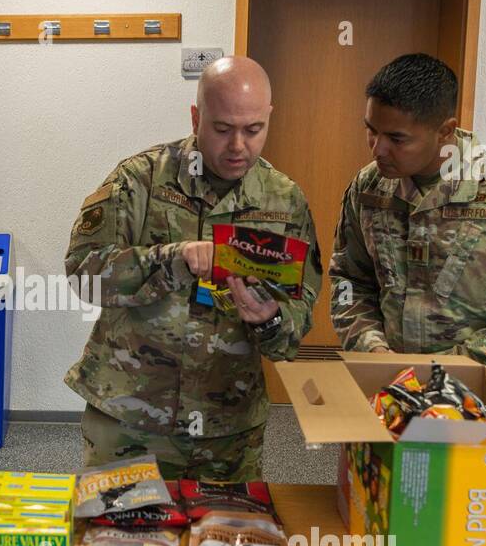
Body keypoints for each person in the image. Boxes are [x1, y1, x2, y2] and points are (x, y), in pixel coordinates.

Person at [63, 56, 321, 480]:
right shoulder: (139, 179)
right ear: (196, 116)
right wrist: (172, 259)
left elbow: (300, 310)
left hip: (228, 429)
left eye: (253, 130)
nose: (239, 146)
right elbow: (83, 272)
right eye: (222, 129)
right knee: (116, 544)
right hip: (130, 420)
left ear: (269, 117)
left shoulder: (284, 200)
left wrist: (271, 319)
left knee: (228, 545)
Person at [329, 53, 486, 355]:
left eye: (397, 138)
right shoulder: (369, 188)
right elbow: (349, 281)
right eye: (371, 130)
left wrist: (459, 364)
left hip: (479, 387)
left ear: (446, 130)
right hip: (388, 380)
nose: (377, 149)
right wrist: (372, 349)